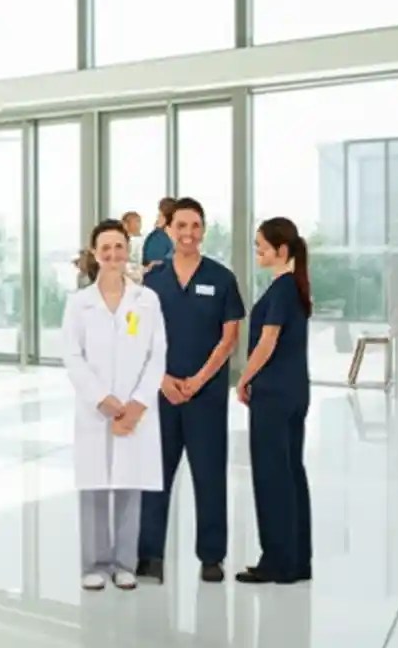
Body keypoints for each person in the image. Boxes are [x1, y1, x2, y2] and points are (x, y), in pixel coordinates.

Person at [139, 197, 245, 584]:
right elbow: (141, 338)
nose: (188, 233)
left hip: (206, 396)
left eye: (195, 226)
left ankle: (212, 556)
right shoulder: (152, 281)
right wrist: (163, 379)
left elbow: (229, 336)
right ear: (168, 229)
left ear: (203, 230)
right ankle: (150, 554)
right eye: (180, 226)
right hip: (161, 393)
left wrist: (199, 380)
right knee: (156, 475)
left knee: (209, 475)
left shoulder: (221, 278)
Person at [62, 219, 167, 591]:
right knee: (93, 486)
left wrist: (137, 404)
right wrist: (102, 400)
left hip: (133, 411)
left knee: (128, 485)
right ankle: (93, 564)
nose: (112, 255)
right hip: (95, 410)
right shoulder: (80, 303)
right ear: (94, 254)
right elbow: (72, 357)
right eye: (104, 248)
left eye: (118, 247)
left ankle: (124, 562)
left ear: (128, 251)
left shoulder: (147, 300)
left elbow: (158, 355)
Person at [235, 217, 313, 585]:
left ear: (281, 250)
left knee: (271, 475)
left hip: (274, 395)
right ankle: (298, 560)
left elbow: (267, 342)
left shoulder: (282, 289)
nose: (258, 252)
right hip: (295, 391)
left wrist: (244, 377)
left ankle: (277, 561)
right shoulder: (295, 287)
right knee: (292, 472)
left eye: (261, 246)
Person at [141, 197, 177, 273]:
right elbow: (154, 267)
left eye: (159, 215)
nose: (157, 217)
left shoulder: (164, 237)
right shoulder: (158, 238)